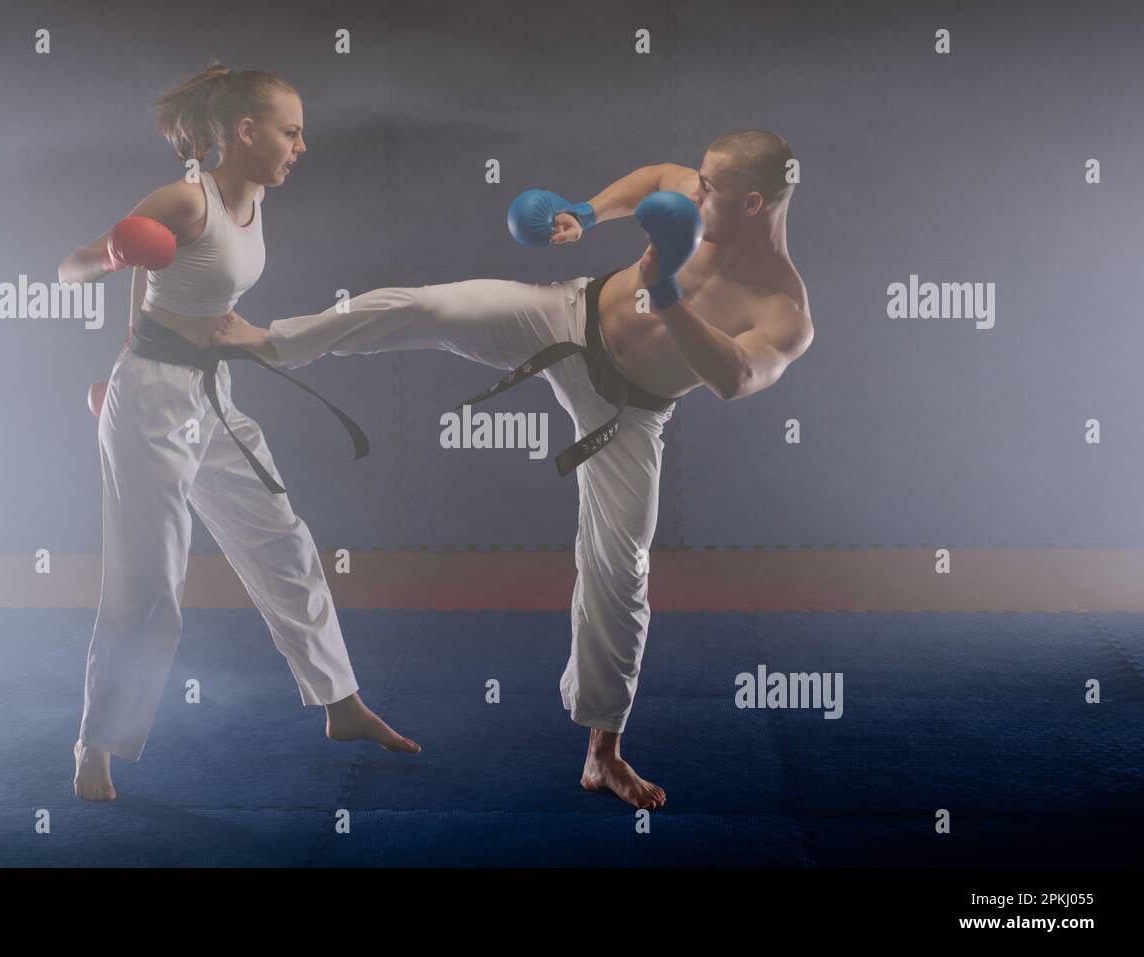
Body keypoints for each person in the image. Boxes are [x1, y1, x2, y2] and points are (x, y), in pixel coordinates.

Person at [214, 131, 814, 810]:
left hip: (629, 413)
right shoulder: (693, 194)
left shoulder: (784, 308)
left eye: (711, 189)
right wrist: (585, 213)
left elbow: (734, 377)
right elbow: (655, 175)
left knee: (620, 575)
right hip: (567, 316)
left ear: (755, 202)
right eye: (700, 179)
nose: (694, 190)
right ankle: (272, 342)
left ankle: (603, 754)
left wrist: (667, 292)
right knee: (427, 305)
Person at [59, 62, 419, 802]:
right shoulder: (187, 202)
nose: (301, 146)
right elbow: (71, 269)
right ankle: (96, 743)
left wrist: (143, 336)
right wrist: (114, 254)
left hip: (210, 393)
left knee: (281, 537)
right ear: (247, 133)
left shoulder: (253, 202)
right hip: (153, 401)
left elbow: (174, 292)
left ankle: (340, 703)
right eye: (291, 132)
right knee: (151, 580)